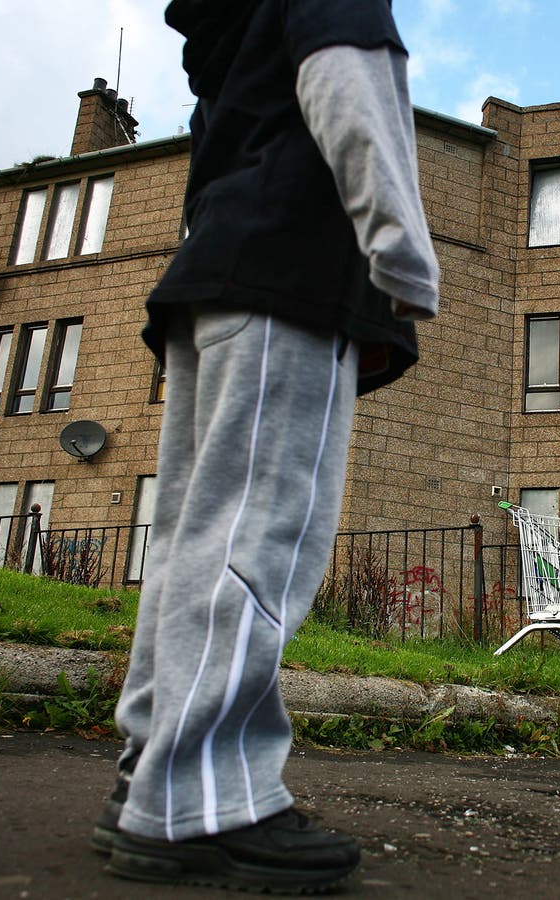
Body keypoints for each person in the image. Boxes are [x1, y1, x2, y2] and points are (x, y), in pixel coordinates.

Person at [91, 0, 440, 892]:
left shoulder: (227, 17)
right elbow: (349, 75)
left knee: (189, 542)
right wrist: (400, 251)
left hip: (216, 270)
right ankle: (203, 798)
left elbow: (219, 146)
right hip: (290, 272)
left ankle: (152, 767)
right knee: (259, 538)